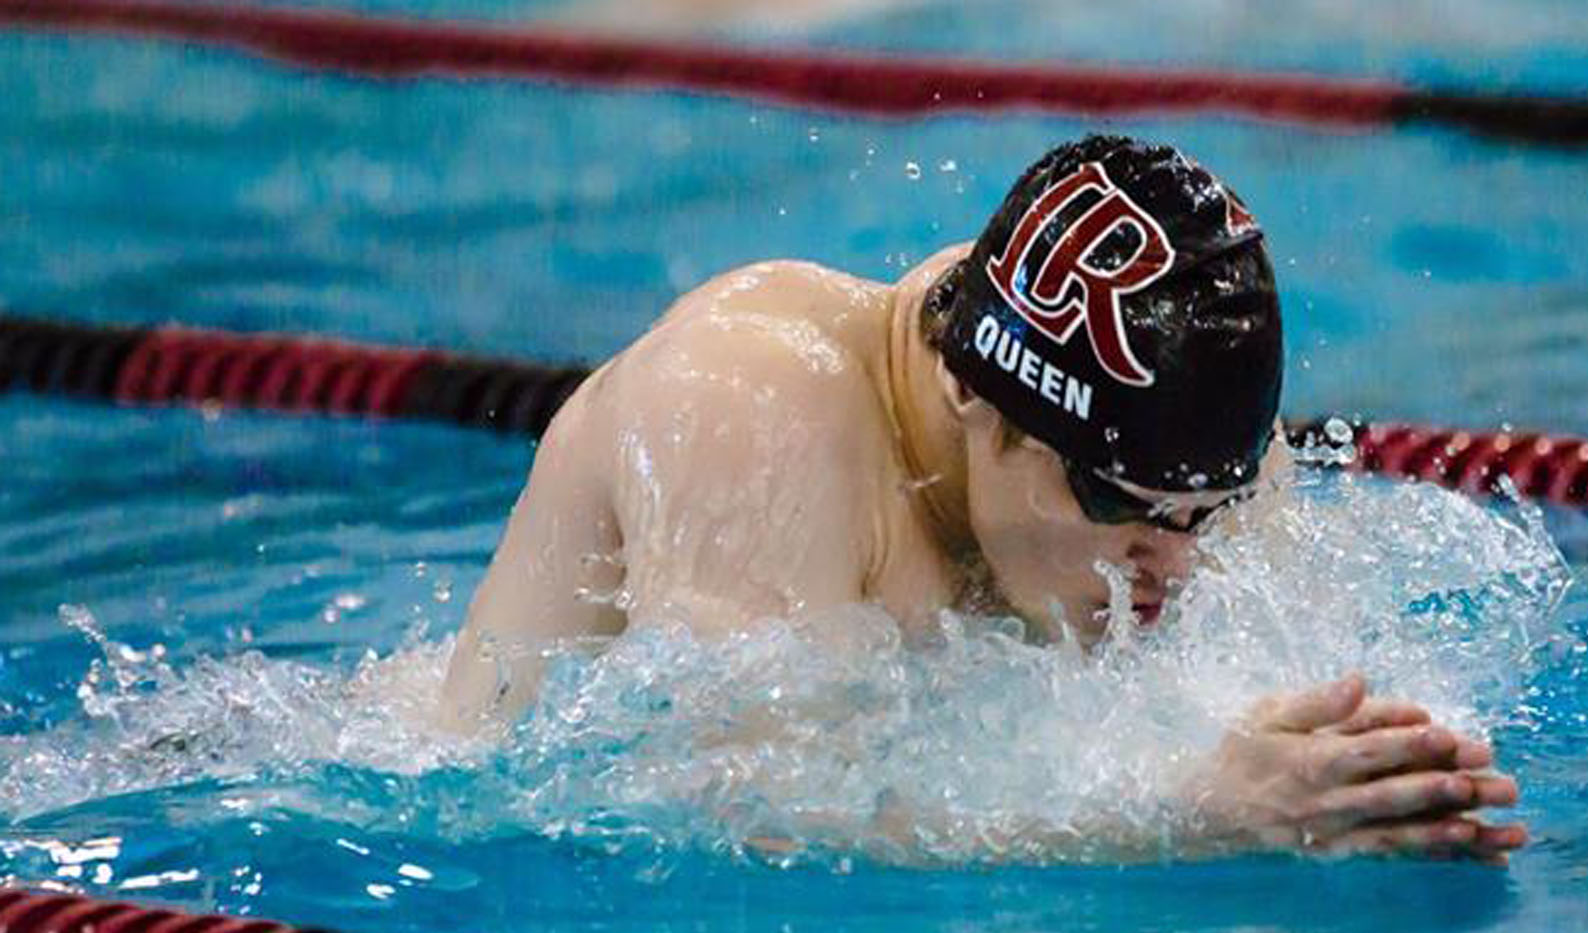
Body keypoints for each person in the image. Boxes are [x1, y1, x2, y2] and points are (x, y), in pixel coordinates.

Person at [435, 134, 1527, 863]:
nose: (1174, 563)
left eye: (1206, 512)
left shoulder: (1165, 451)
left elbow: (1278, 730)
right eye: (1116, 501)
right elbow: (739, 823)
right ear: (973, 397)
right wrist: (1186, 814)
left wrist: (1362, 781)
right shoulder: (755, 411)